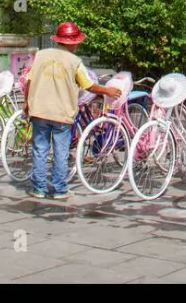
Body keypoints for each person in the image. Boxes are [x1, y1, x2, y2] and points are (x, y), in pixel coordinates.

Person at [23, 22, 121, 200]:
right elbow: (89, 85)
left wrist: (26, 103)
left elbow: (29, 81)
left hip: (39, 110)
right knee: (60, 152)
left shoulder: (41, 55)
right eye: (76, 41)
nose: (77, 45)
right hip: (62, 113)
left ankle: (38, 189)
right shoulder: (75, 62)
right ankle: (60, 190)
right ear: (71, 42)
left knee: (40, 149)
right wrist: (108, 90)